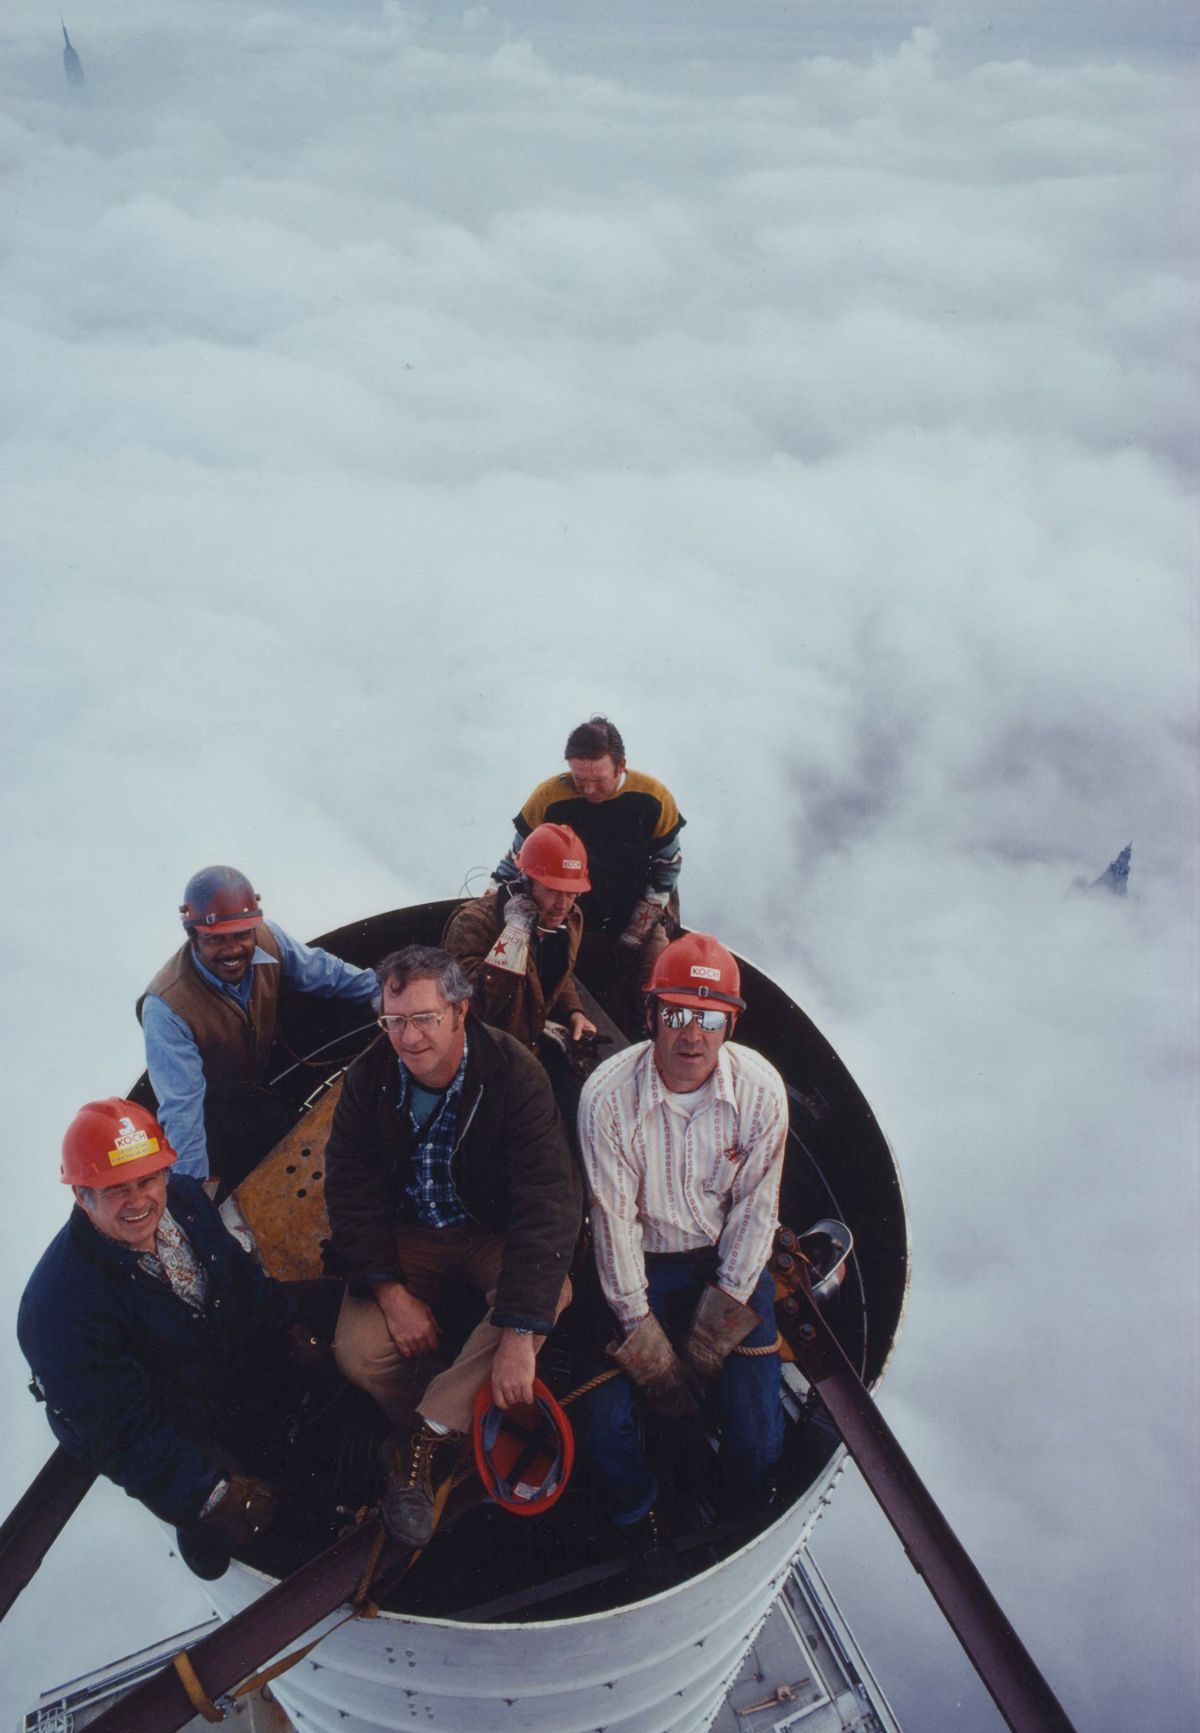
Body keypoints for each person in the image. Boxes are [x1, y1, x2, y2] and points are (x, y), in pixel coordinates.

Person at [324, 945, 582, 1547]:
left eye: (424, 1019)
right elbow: (350, 1190)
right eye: (394, 1022)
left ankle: (420, 1443)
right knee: (358, 1353)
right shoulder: (368, 1079)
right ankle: (458, 1422)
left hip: (486, 1229)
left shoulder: (514, 1074)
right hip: (409, 1233)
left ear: (461, 1012)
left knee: (554, 1292)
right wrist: (389, 1293)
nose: (408, 1039)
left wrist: (519, 1337)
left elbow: (549, 1200)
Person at [17, 1099, 311, 1578]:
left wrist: (290, 1327)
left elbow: (237, 1276)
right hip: (178, 1425)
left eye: (148, 1180)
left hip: (228, 1377)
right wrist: (209, 1497)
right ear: (81, 1196)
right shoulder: (57, 1309)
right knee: (246, 1526)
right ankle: (203, 1516)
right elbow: (122, 1435)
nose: (139, 1201)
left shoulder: (187, 1203)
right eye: (115, 1189)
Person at [576, 933, 787, 1527]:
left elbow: (754, 1213)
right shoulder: (607, 1099)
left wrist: (712, 1336)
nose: (692, 1034)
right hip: (636, 1267)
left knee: (758, 1437)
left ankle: (735, 1511)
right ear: (651, 1016)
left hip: (724, 1267)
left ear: (730, 1026)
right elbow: (612, 1222)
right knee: (604, 1424)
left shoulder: (762, 1094)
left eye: (710, 1017)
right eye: (677, 1013)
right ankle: (639, 1518)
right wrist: (646, 1342)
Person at [138, 865, 378, 1192]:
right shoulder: (166, 1009)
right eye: (215, 939)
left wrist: (383, 995)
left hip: (253, 1095)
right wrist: (193, 1198)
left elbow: (327, 974)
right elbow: (183, 1113)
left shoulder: (270, 938)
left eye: (241, 935)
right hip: (210, 1121)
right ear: (192, 937)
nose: (232, 949)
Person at [494, 717, 684, 1036]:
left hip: (636, 912)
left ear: (621, 765)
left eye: (598, 780)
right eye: (579, 779)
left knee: (652, 990)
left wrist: (635, 934)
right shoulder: (549, 797)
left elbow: (668, 869)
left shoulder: (654, 797)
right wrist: (492, 900)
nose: (588, 789)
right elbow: (516, 858)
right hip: (565, 914)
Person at [442, 822, 597, 1052]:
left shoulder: (572, 918)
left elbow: (559, 975)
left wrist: (573, 1012)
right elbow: (475, 1007)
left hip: (528, 1049)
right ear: (526, 881)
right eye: (552, 890)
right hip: (482, 1051)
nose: (562, 905)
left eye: (571, 892)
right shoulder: (473, 923)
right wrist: (514, 934)